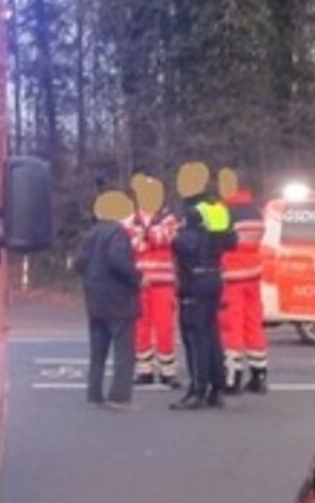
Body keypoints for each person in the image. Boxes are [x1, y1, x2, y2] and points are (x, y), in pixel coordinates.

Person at [169, 161, 235, 410]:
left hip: (194, 278)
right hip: (214, 276)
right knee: (212, 334)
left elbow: (187, 245)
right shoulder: (218, 208)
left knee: (194, 336)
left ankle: (197, 389)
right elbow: (231, 242)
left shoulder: (192, 211)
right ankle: (216, 389)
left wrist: (174, 238)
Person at [76, 188, 142, 408]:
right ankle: (119, 396)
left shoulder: (90, 234)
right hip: (119, 299)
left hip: (95, 299)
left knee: (98, 350)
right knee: (124, 350)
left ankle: (94, 392)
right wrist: (137, 278)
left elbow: (79, 264)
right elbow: (118, 261)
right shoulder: (117, 233)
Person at [216, 168, 269, 393]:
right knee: (253, 324)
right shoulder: (256, 211)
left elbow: (217, 241)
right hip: (253, 275)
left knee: (231, 326)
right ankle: (259, 374)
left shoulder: (223, 210)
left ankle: (232, 376)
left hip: (231, 277)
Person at [128, 173, 181, 388]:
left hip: (164, 284)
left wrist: (146, 235)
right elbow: (131, 244)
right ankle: (144, 371)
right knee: (141, 328)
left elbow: (166, 238)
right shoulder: (131, 218)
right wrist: (150, 237)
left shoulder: (168, 217)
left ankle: (168, 372)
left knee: (165, 328)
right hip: (140, 284)